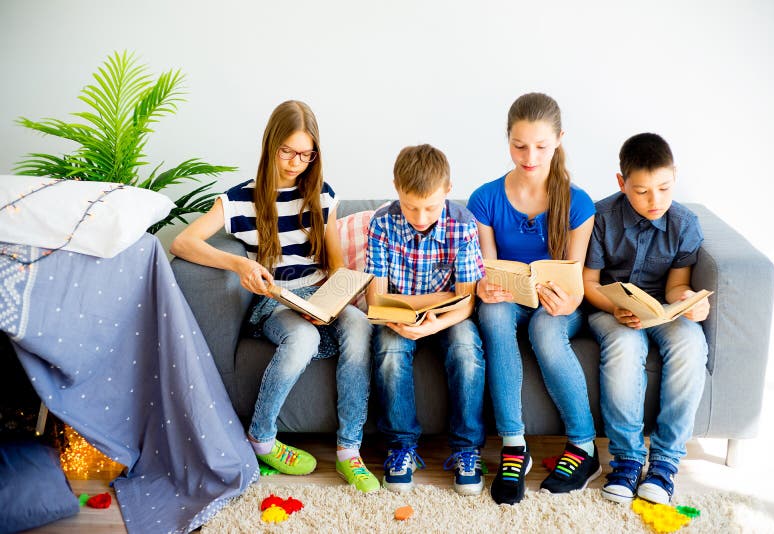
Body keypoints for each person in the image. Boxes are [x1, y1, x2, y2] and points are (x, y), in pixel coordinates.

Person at [170, 100, 379, 493]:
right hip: (275, 299)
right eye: (288, 151)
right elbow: (183, 242)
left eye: (306, 154)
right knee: (303, 337)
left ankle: (349, 451)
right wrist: (239, 266)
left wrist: (333, 301)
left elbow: (335, 266)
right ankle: (261, 438)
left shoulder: (322, 195)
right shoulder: (240, 199)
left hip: (320, 294)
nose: (296, 162)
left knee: (359, 328)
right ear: (271, 146)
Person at [467, 92, 599, 505]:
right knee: (491, 312)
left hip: (558, 307)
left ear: (559, 139)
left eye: (541, 146)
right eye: (520, 145)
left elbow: (576, 283)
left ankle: (584, 447)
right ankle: (513, 444)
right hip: (509, 298)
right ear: (507, 140)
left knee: (545, 328)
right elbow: (485, 269)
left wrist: (565, 301)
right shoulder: (484, 199)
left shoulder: (577, 202)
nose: (530, 156)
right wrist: (483, 287)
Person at [583, 132, 709, 505]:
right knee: (625, 343)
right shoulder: (602, 217)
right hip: (611, 306)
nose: (655, 201)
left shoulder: (684, 224)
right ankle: (626, 459)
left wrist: (686, 301)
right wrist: (614, 308)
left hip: (661, 311)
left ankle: (665, 462)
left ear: (674, 176)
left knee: (690, 341)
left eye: (664, 188)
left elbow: (676, 287)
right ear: (621, 184)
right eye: (641, 191)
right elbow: (589, 283)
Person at [366, 144, 486, 495]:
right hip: (395, 317)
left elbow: (466, 302)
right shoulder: (382, 224)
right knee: (389, 352)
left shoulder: (462, 224)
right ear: (396, 189)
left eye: (430, 207)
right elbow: (376, 299)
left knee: (466, 349)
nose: (420, 217)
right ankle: (401, 446)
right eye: (410, 207)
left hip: (448, 319)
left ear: (448, 191)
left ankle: (467, 450)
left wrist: (434, 320)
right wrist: (421, 306)